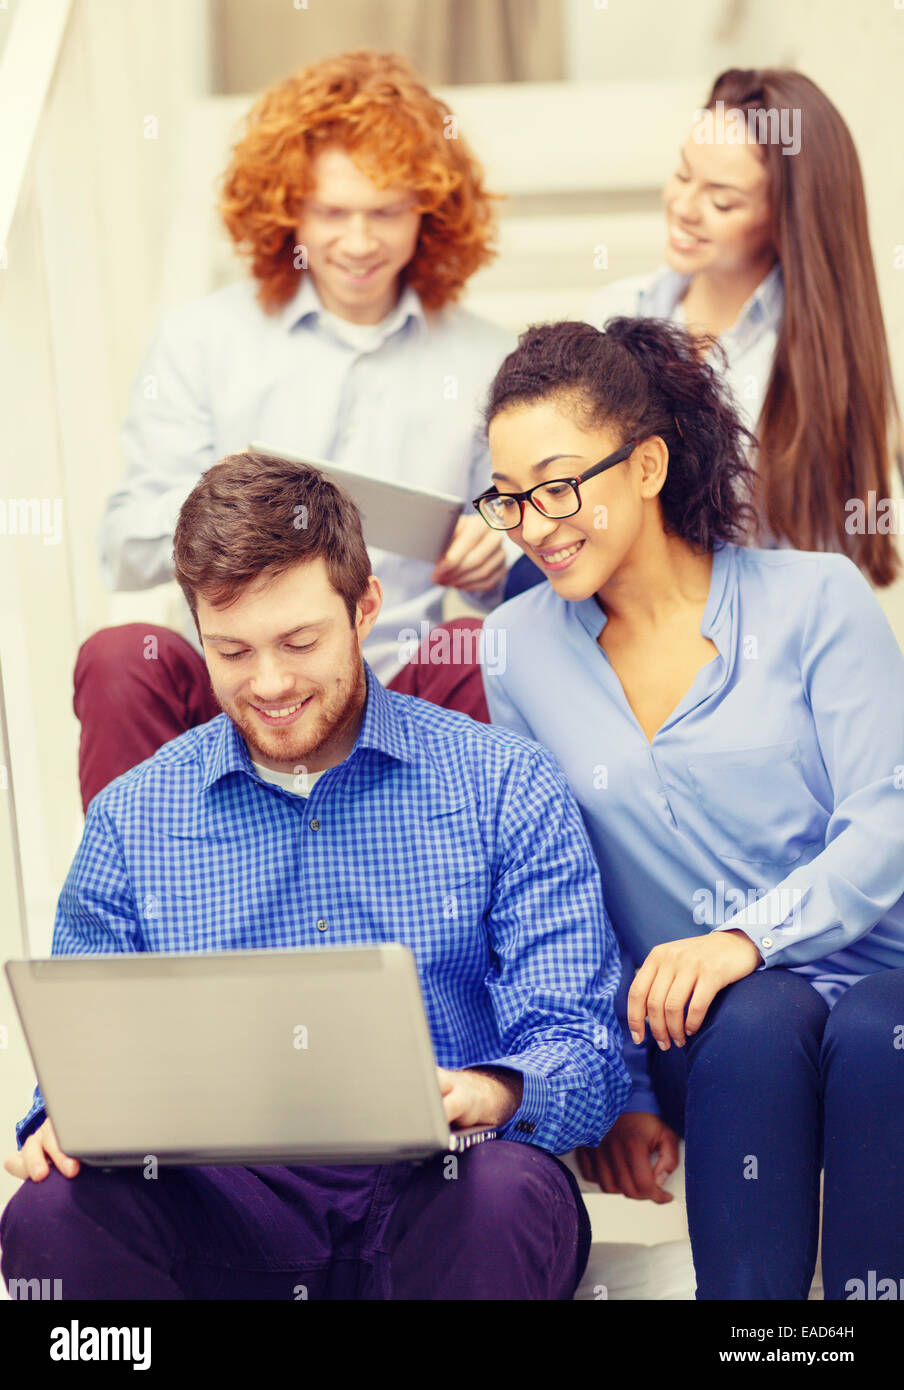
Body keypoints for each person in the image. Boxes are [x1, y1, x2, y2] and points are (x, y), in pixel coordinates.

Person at [1, 452, 629, 1302]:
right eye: (231, 651)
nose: (269, 684)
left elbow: (586, 1055)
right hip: (227, 1212)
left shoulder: (504, 784)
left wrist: (491, 1091)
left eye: (300, 641)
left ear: (366, 607)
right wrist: (55, 1126)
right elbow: (77, 1070)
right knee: (49, 1217)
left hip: (439, 1191)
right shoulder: (131, 818)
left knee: (506, 1196)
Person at [476, 315, 904, 1300]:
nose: (536, 525)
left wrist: (742, 936)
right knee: (756, 1016)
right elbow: (556, 885)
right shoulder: (516, 650)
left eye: (557, 485)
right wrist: (620, 1086)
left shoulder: (816, 599)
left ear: (647, 464)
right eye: (509, 500)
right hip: (707, 1025)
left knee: (880, 1028)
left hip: (878, 977)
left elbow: (887, 819)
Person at [76, 49, 513, 812]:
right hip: (239, 687)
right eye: (331, 212)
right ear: (287, 210)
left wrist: (496, 547)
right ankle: (135, 910)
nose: (357, 241)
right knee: (120, 656)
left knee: (484, 648)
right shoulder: (202, 338)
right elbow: (121, 549)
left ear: (429, 212)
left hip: (393, 687)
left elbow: (534, 548)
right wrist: (220, 499)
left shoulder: (482, 358)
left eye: (385, 211)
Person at [407, 65, 904, 702]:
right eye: (682, 174)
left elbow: (826, 586)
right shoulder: (617, 308)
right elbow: (564, 493)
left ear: (788, 221)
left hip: (737, 669)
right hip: (589, 628)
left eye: (722, 201)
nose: (684, 207)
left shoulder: (815, 366)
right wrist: (495, 549)